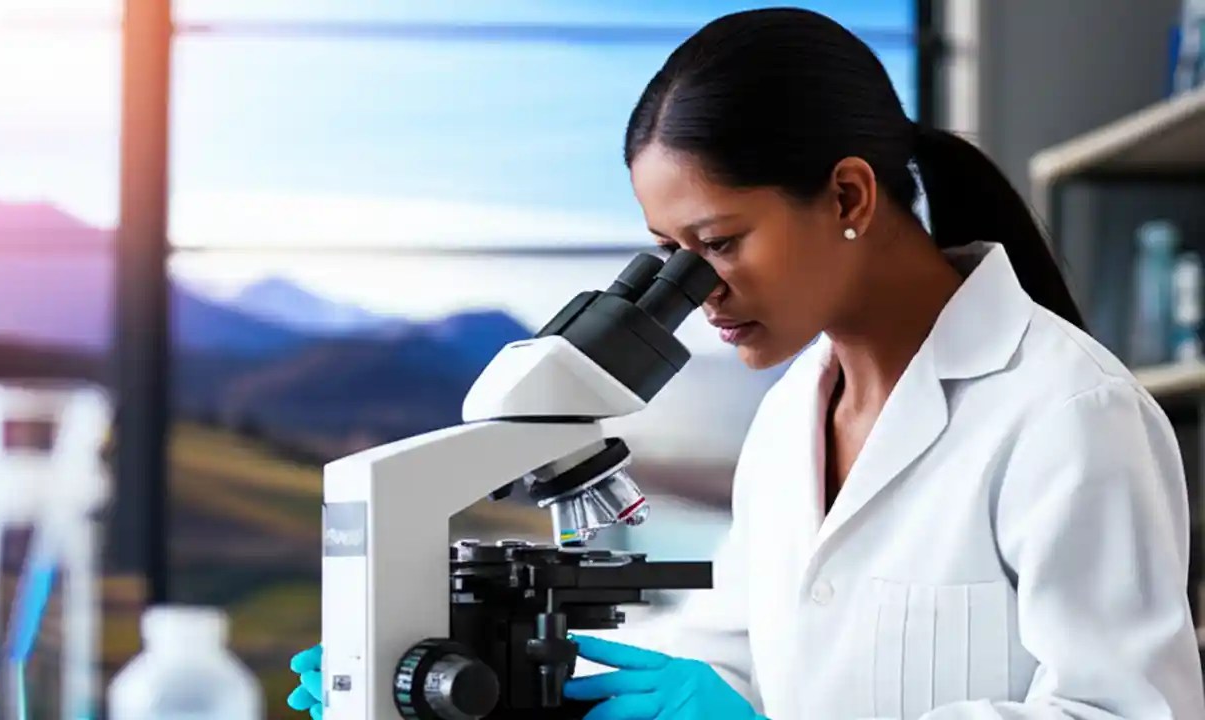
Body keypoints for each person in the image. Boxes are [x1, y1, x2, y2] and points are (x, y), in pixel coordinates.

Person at [288, 7, 1205, 719]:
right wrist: (437, 663)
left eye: (719, 242)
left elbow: (1122, 707)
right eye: (667, 252)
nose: (697, 289)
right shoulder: (794, 410)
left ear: (848, 193)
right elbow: (736, 657)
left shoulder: (1066, 410)